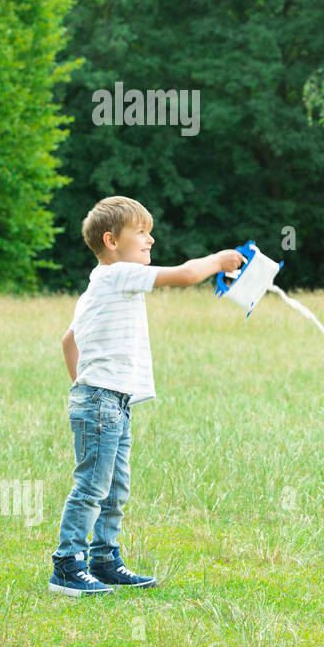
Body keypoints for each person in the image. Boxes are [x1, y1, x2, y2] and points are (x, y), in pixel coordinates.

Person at [50, 196, 245, 596]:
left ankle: (104, 560)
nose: (150, 239)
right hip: (102, 401)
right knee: (92, 487)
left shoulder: (97, 287)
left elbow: (69, 341)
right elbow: (188, 275)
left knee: (114, 488)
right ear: (111, 241)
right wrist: (220, 260)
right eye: (141, 232)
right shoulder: (117, 273)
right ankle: (68, 565)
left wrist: (81, 386)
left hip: (111, 402)